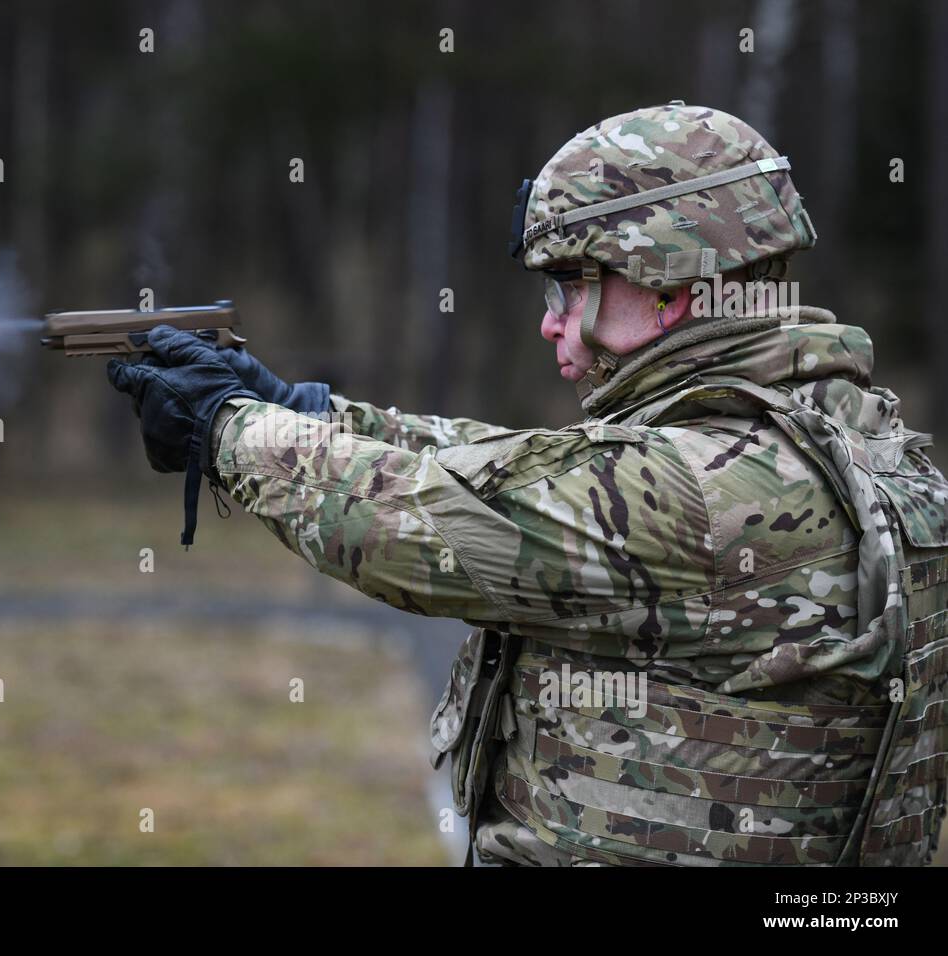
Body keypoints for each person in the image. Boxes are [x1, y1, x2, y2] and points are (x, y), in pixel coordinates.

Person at [107, 102, 948, 866]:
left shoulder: (703, 488)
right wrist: (304, 410)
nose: (551, 319)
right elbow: (525, 468)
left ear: (668, 285)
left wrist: (229, 430)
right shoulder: (838, 442)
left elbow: (428, 526)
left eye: (573, 282)